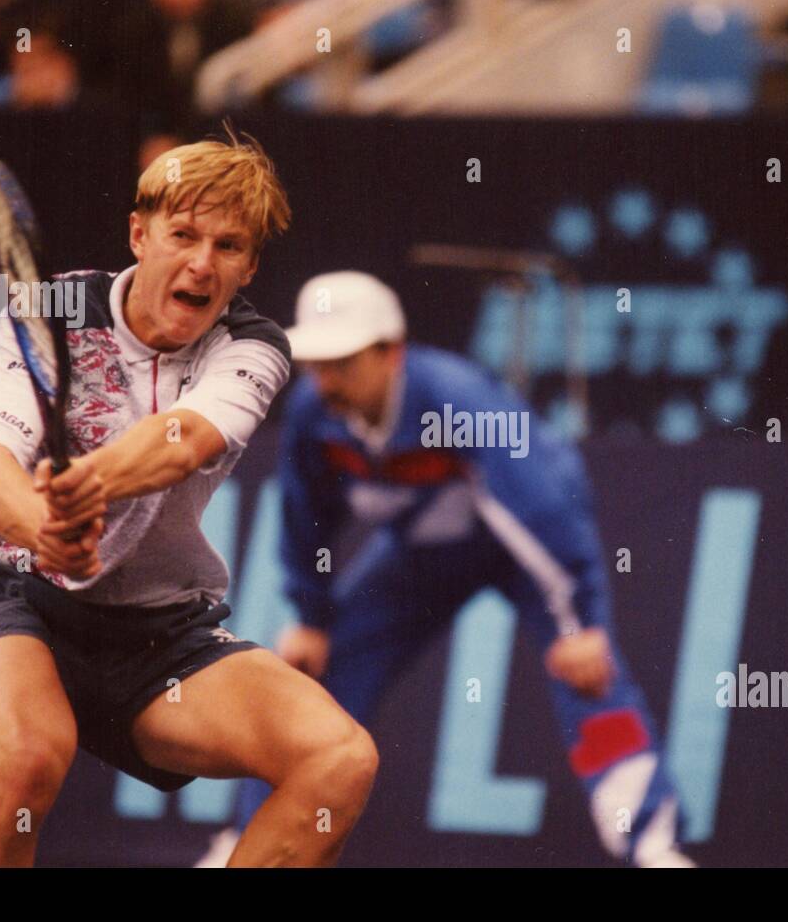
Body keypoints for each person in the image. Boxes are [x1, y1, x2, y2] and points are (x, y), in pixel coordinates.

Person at [0, 130, 378, 867]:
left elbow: (185, 438)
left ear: (249, 267)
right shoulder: (55, 307)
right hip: (11, 596)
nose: (203, 262)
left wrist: (88, 483)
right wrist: (44, 528)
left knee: (339, 757)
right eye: (184, 234)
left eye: (229, 246)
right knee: (31, 757)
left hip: (159, 636)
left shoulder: (253, 346)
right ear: (139, 235)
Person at [206, 271, 694, 867]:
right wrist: (311, 615)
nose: (325, 379)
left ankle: (654, 847)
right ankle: (243, 846)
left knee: (587, 671)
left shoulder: (460, 399)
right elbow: (305, 514)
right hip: (424, 558)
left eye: (343, 361)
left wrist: (579, 620)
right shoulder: (314, 412)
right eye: (316, 362)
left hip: (524, 550)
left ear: (391, 352)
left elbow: (540, 507)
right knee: (313, 679)